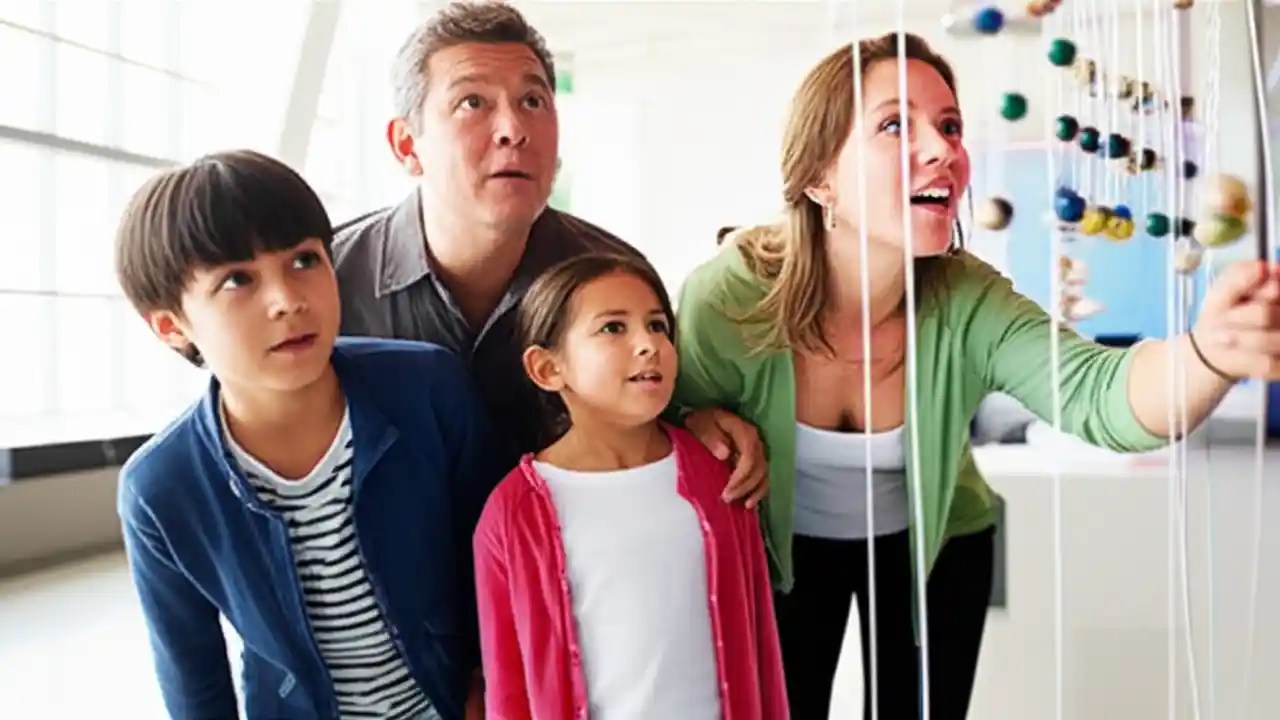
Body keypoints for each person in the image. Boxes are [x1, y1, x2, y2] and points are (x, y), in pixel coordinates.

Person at [673, 33, 1280, 719]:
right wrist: (693, 421)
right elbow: (653, 423)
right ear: (819, 178)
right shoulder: (730, 297)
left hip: (936, 551)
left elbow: (1099, 396)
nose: (944, 149)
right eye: (896, 123)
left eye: (950, 125)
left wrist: (1209, 352)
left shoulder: (968, 298)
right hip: (781, 555)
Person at [114, 150, 502, 719]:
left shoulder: (427, 386)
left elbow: (499, 556)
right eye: (238, 280)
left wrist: (491, 682)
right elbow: (192, 675)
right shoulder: (159, 488)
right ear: (172, 325)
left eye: (304, 261)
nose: (287, 300)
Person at [330, 0, 766, 504]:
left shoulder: (613, 278)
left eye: (533, 102)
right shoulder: (330, 283)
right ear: (407, 145)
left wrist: (696, 424)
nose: (513, 129)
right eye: (472, 102)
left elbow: (648, 419)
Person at [472, 253, 788, 719]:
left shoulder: (720, 476)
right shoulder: (513, 514)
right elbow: (509, 684)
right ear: (546, 369)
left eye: (658, 325)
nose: (648, 344)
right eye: (613, 328)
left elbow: (760, 646)